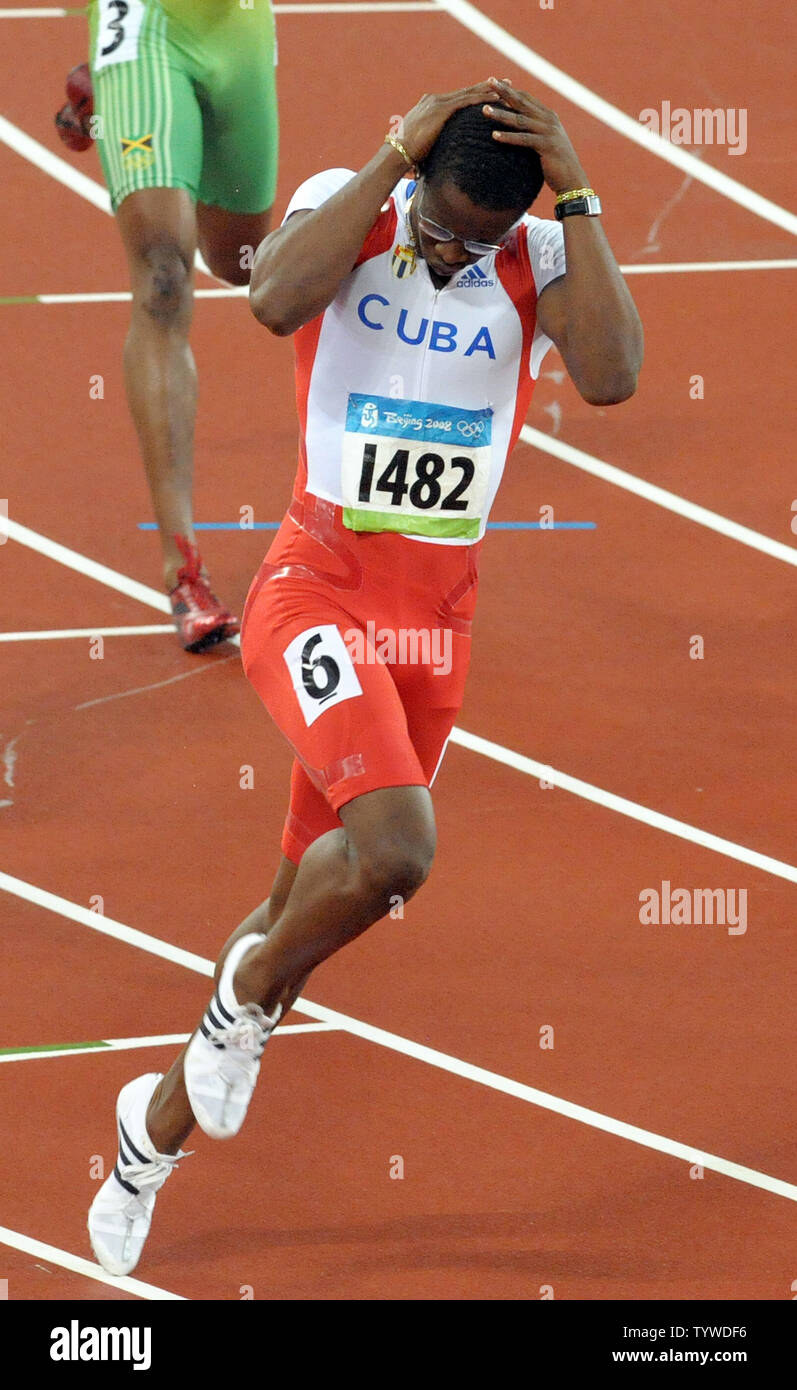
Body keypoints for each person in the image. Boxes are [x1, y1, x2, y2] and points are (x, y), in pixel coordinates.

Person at [87, 78, 643, 1273]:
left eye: (472, 239)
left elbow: (610, 376)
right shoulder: (360, 213)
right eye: (441, 224)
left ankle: (148, 1136)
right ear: (416, 179)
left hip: (433, 631)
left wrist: (581, 187)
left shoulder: (538, 253)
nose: (450, 252)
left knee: (307, 902)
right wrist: (392, 155)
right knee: (399, 850)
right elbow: (271, 297)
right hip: (317, 586)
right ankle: (241, 1004)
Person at [56, 0, 279, 651]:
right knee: (163, 279)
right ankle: (183, 572)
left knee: (239, 264)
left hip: (236, 29)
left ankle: (105, 84)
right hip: (144, 25)